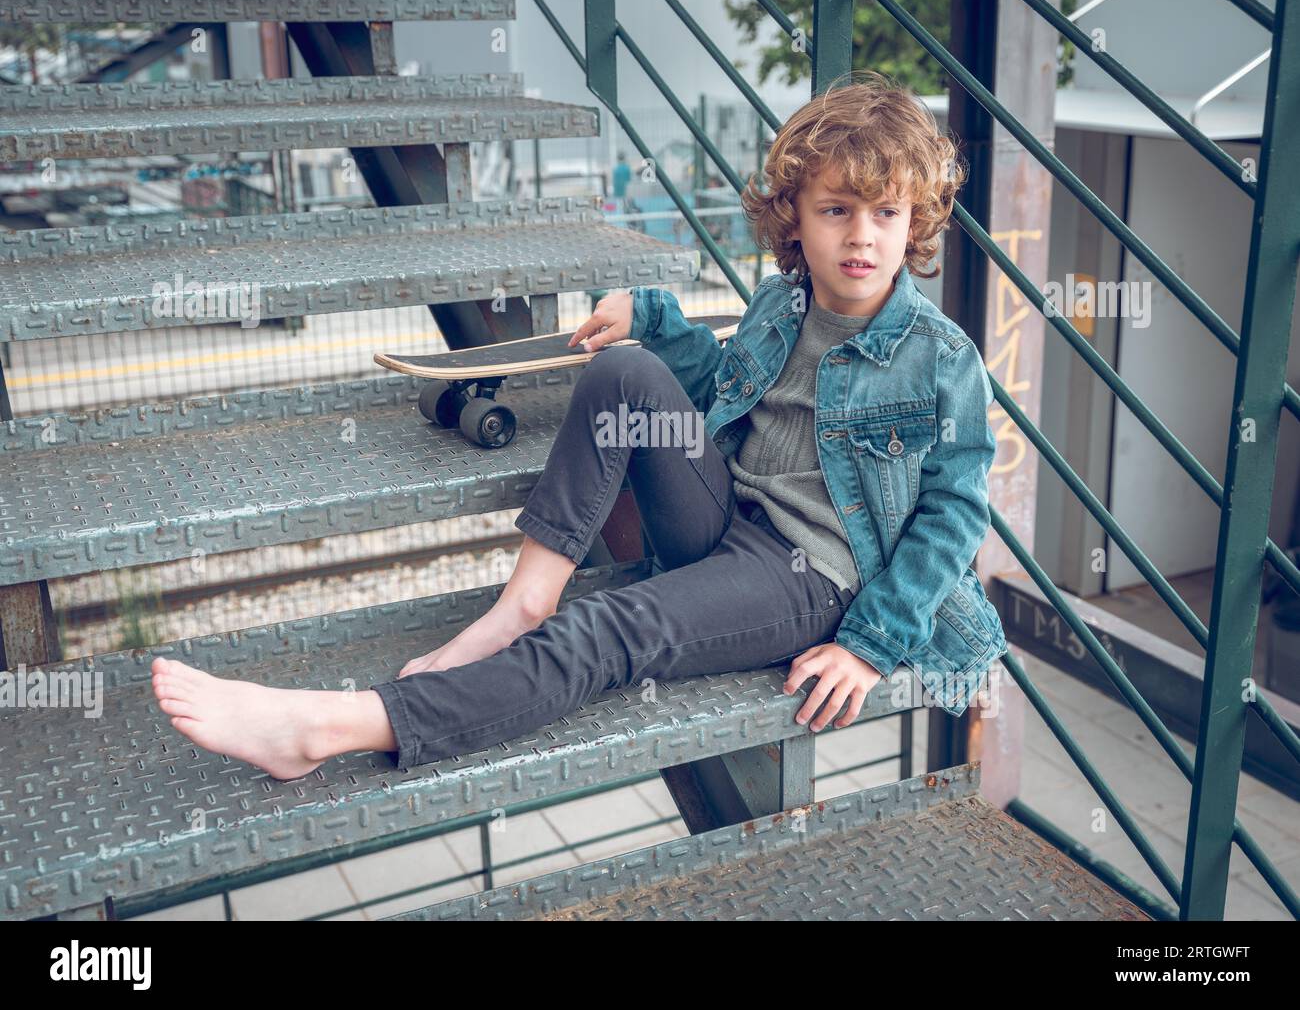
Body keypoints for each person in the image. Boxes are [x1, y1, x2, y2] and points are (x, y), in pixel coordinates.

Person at [150, 70, 1008, 780]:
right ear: (796, 216)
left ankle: (333, 728)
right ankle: (527, 598)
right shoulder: (782, 304)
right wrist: (653, 317)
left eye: (886, 214)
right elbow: (727, 389)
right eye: (837, 211)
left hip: (815, 580)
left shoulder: (938, 357)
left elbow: (955, 514)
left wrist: (868, 644)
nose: (863, 237)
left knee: (609, 631)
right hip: (724, 517)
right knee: (625, 369)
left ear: (915, 222)